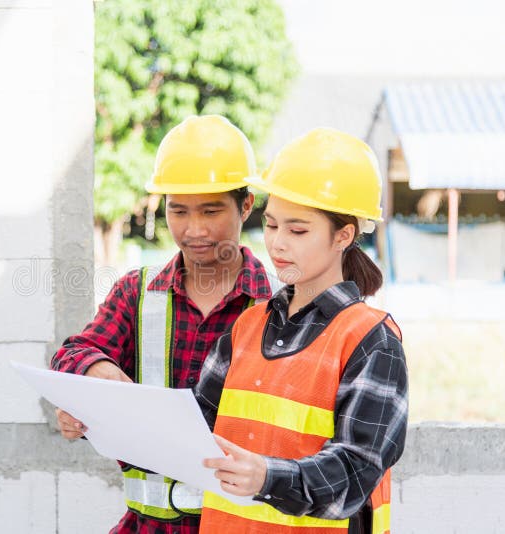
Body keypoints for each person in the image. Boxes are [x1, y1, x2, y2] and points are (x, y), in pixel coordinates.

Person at [50, 115, 281, 534]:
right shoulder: (136, 293)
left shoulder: (283, 307)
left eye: (211, 210)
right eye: (178, 210)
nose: (194, 229)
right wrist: (93, 379)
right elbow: (72, 354)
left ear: (246, 205)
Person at [195, 128, 408, 534]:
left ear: (343, 235)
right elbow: (191, 431)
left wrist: (266, 477)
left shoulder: (372, 341)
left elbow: (355, 472)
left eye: (297, 231)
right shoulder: (247, 327)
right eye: (271, 225)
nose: (277, 244)